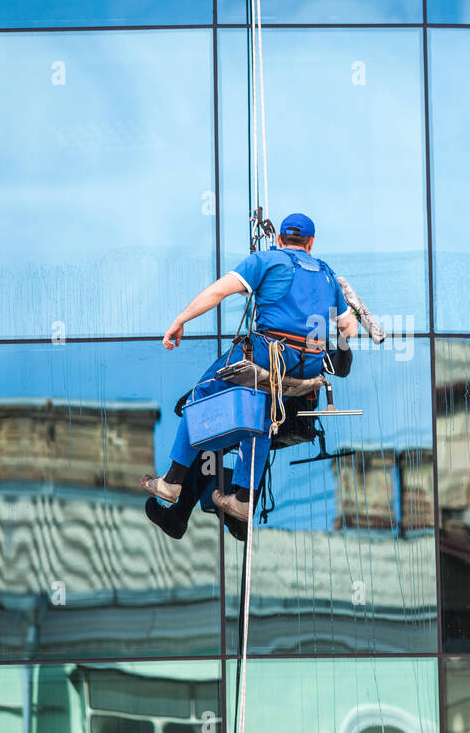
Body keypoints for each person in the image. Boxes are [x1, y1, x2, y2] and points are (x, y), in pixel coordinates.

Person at [141, 212, 358, 525]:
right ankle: (243, 499)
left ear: (280, 239)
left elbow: (218, 292)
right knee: (262, 417)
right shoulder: (327, 274)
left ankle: (172, 482)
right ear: (310, 243)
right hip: (306, 369)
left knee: (199, 399)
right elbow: (347, 326)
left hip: (270, 357)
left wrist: (180, 321)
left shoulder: (266, 260)